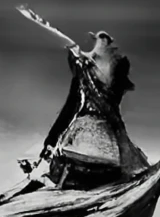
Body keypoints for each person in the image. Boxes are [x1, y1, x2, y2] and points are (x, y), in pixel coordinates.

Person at [24, 30, 148, 189]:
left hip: (92, 153)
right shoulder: (89, 78)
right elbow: (69, 111)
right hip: (89, 154)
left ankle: (54, 178)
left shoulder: (96, 78)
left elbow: (70, 111)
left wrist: (50, 143)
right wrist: (50, 143)